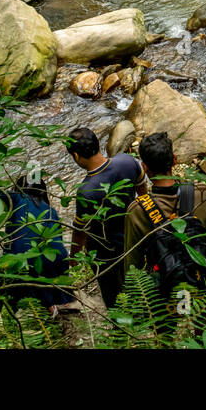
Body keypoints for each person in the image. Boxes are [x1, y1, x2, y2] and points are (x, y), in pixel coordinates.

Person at [122, 131, 206, 295]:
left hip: (163, 298)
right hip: (201, 290)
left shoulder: (138, 210)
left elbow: (133, 267)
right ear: (174, 160)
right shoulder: (200, 194)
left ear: (144, 168)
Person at [65, 127, 143, 309]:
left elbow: (80, 232)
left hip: (106, 254)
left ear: (76, 156)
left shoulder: (87, 191)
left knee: (113, 295)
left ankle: (121, 328)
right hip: (134, 240)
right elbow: (143, 195)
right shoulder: (127, 161)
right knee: (137, 283)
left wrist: (74, 259)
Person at [0, 173, 74, 314]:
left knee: (8, 273)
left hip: (26, 259)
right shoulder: (51, 211)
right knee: (42, 273)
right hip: (57, 259)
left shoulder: (17, 199)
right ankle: (50, 305)